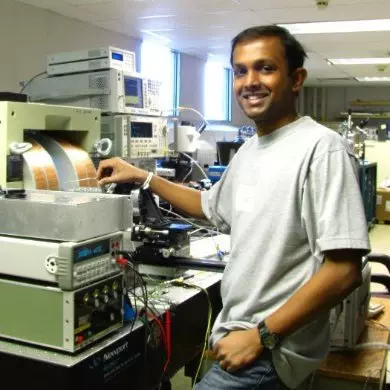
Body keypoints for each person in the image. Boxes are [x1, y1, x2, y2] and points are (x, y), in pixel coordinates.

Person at [97, 25, 370, 389]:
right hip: (246, 338)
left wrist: (260, 337)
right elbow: (209, 206)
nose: (250, 81)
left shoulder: (322, 148)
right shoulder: (251, 151)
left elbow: (343, 270)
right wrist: (142, 177)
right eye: (240, 71)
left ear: (296, 78)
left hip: (268, 351)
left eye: (265, 68)